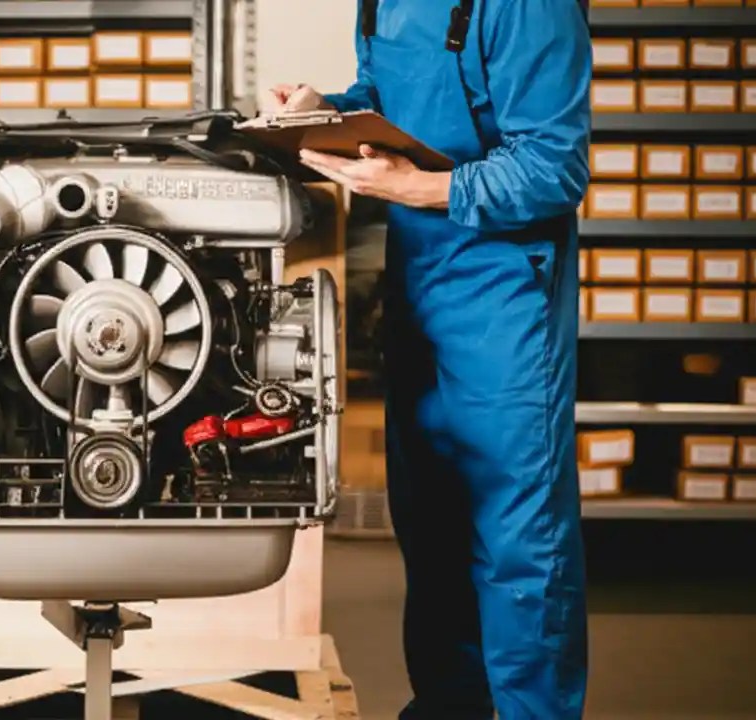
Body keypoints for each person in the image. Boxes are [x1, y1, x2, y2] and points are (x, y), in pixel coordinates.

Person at [276, 1, 592, 718]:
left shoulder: (527, 6)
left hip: (503, 292)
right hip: (420, 284)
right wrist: (326, 112)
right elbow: (388, 105)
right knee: (431, 526)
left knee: (518, 541)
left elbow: (554, 167)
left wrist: (413, 188)